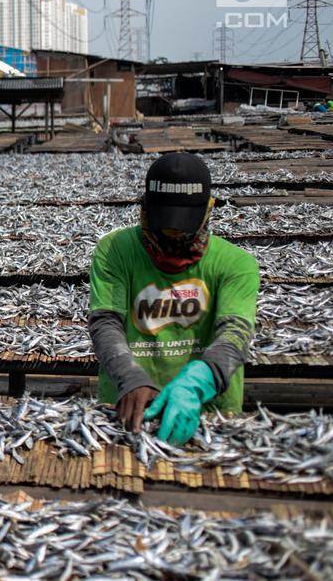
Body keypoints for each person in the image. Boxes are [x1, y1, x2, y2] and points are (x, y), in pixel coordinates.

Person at [89, 152, 258, 445]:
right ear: (145, 210)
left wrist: (197, 383)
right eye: (164, 227)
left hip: (211, 415)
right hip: (129, 409)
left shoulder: (236, 264)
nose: (171, 239)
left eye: (182, 229)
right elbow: (106, 321)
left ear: (208, 211)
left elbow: (235, 334)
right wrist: (130, 376)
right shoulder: (115, 249)